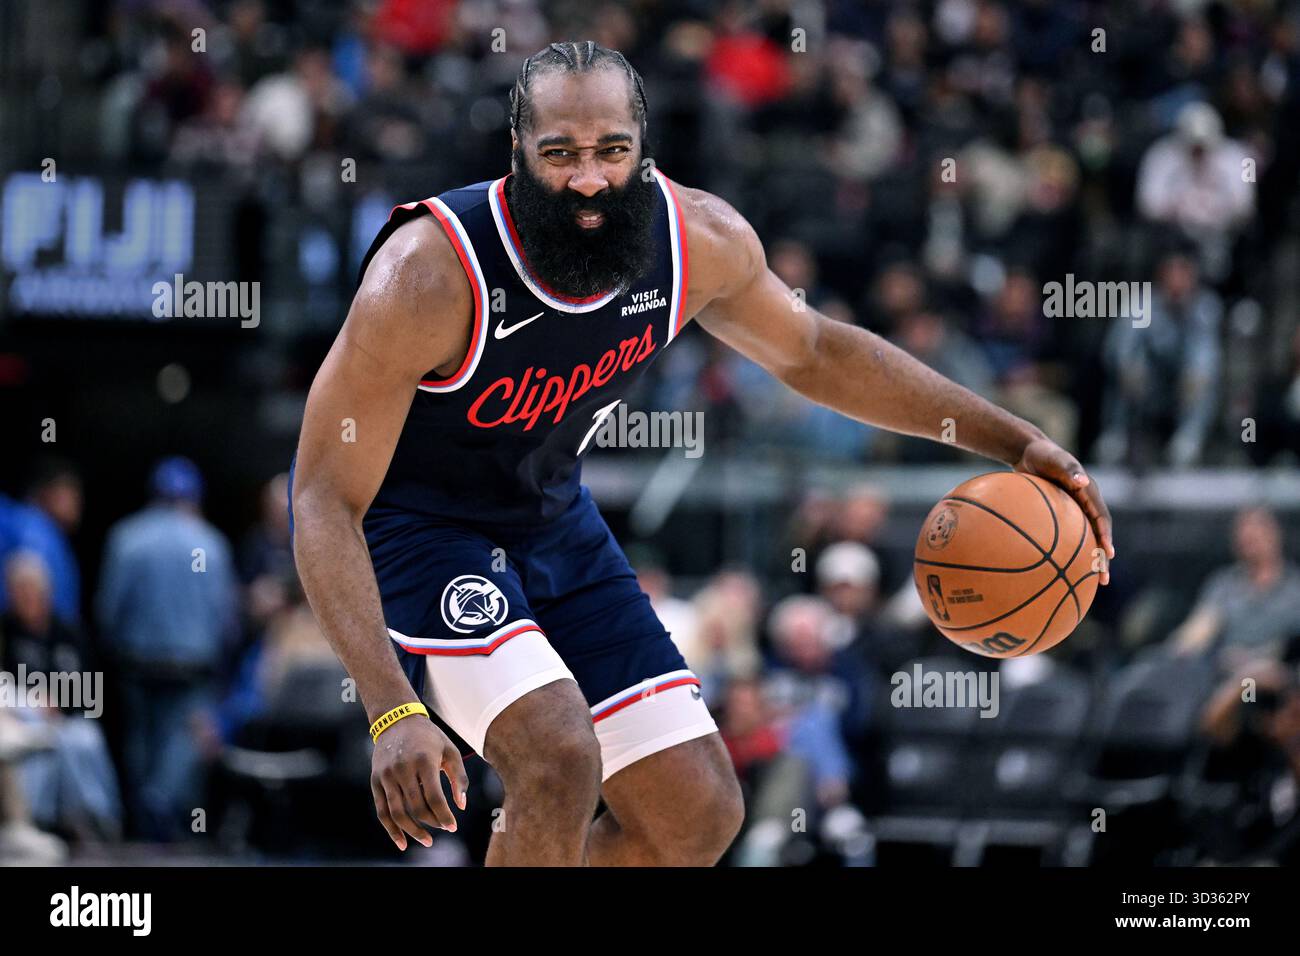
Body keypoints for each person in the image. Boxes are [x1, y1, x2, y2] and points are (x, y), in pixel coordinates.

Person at [290, 40, 1114, 867]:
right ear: (518, 152)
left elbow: (815, 352)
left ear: (643, 147)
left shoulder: (696, 241)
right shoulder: (429, 275)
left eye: (612, 150)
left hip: (551, 519)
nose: (589, 178)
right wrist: (390, 709)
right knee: (558, 758)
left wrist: (1014, 439)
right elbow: (323, 496)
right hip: (418, 531)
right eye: (561, 153)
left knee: (696, 812)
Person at [96, 457, 239, 840]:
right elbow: (226, 617)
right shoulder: (211, 543)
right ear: (194, 498)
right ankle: (163, 804)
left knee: (140, 739)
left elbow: (109, 607)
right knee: (183, 736)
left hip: (137, 658)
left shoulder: (126, 537)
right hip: (192, 662)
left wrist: (114, 644)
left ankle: (144, 817)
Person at [1172, 507, 1300, 670]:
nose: (1248, 536)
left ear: (1276, 534)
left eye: (1257, 531)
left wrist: (1261, 658)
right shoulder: (1224, 584)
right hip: (1230, 674)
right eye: (1243, 533)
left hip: (1284, 674)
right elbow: (1200, 628)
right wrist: (1179, 650)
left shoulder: (1295, 587)